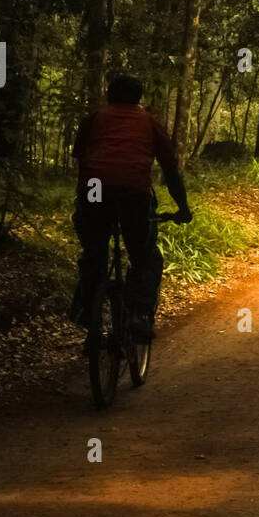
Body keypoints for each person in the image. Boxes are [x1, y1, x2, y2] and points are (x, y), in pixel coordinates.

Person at [69, 73, 193, 344]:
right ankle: (138, 313)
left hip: (94, 192)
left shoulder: (92, 120)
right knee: (145, 256)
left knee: (93, 253)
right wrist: (183, 207)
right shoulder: (150, 123)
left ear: (108, 96)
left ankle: (86, 309)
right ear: (139, 98)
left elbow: (82, 160)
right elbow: (171, 170)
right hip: (134, 194)